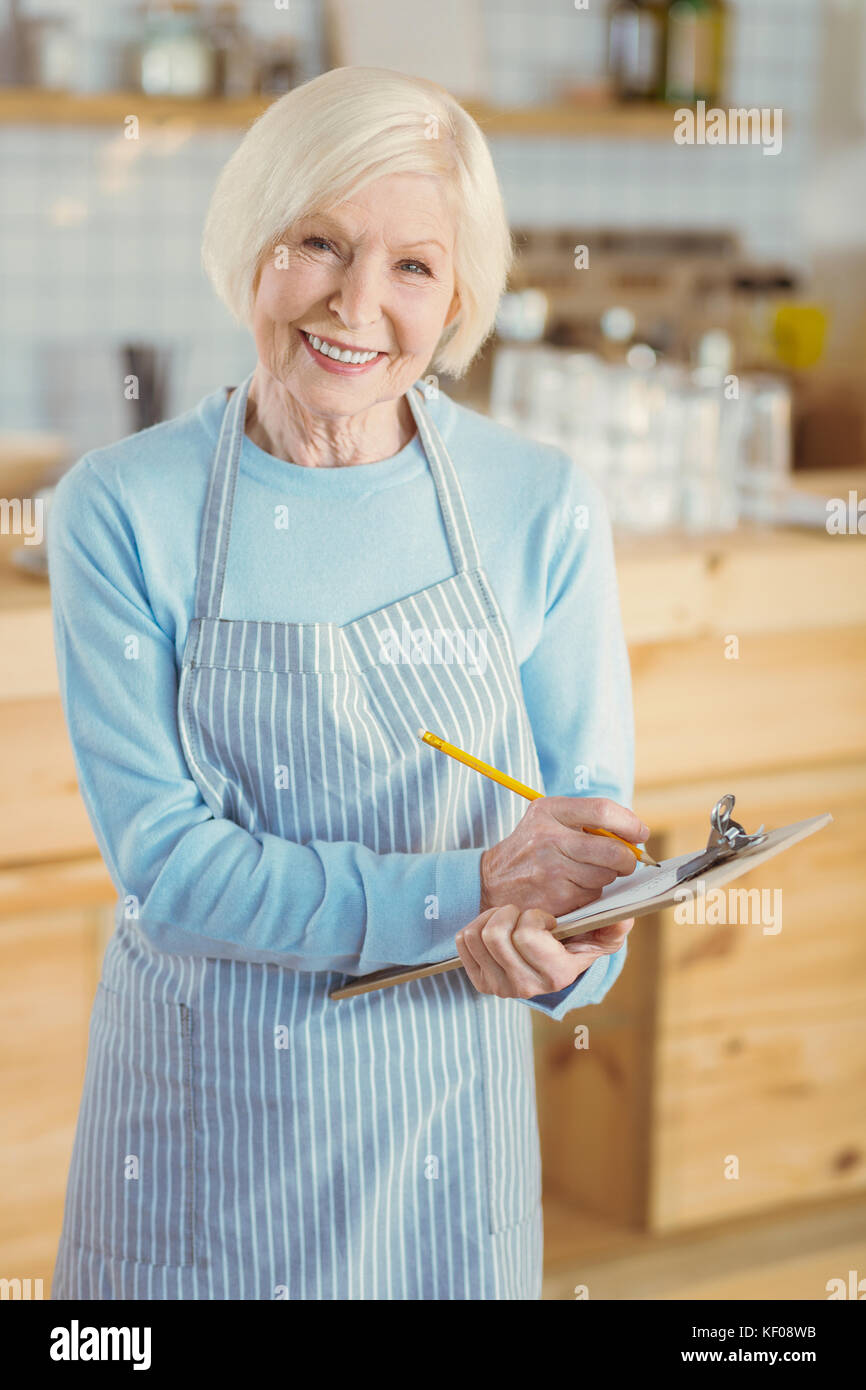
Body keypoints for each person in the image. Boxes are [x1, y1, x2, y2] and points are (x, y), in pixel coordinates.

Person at [48, 65, 645, 1301]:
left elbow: (588, 848)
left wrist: (569, 949)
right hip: (204, 1128)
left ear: (459, 296)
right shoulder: (122, 508)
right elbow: (167, 862)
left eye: (412, 267)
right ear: (252, 242)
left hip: (444, 1127)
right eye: (319, 241)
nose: (355, 304)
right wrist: (465, 887)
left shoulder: (536, 505)